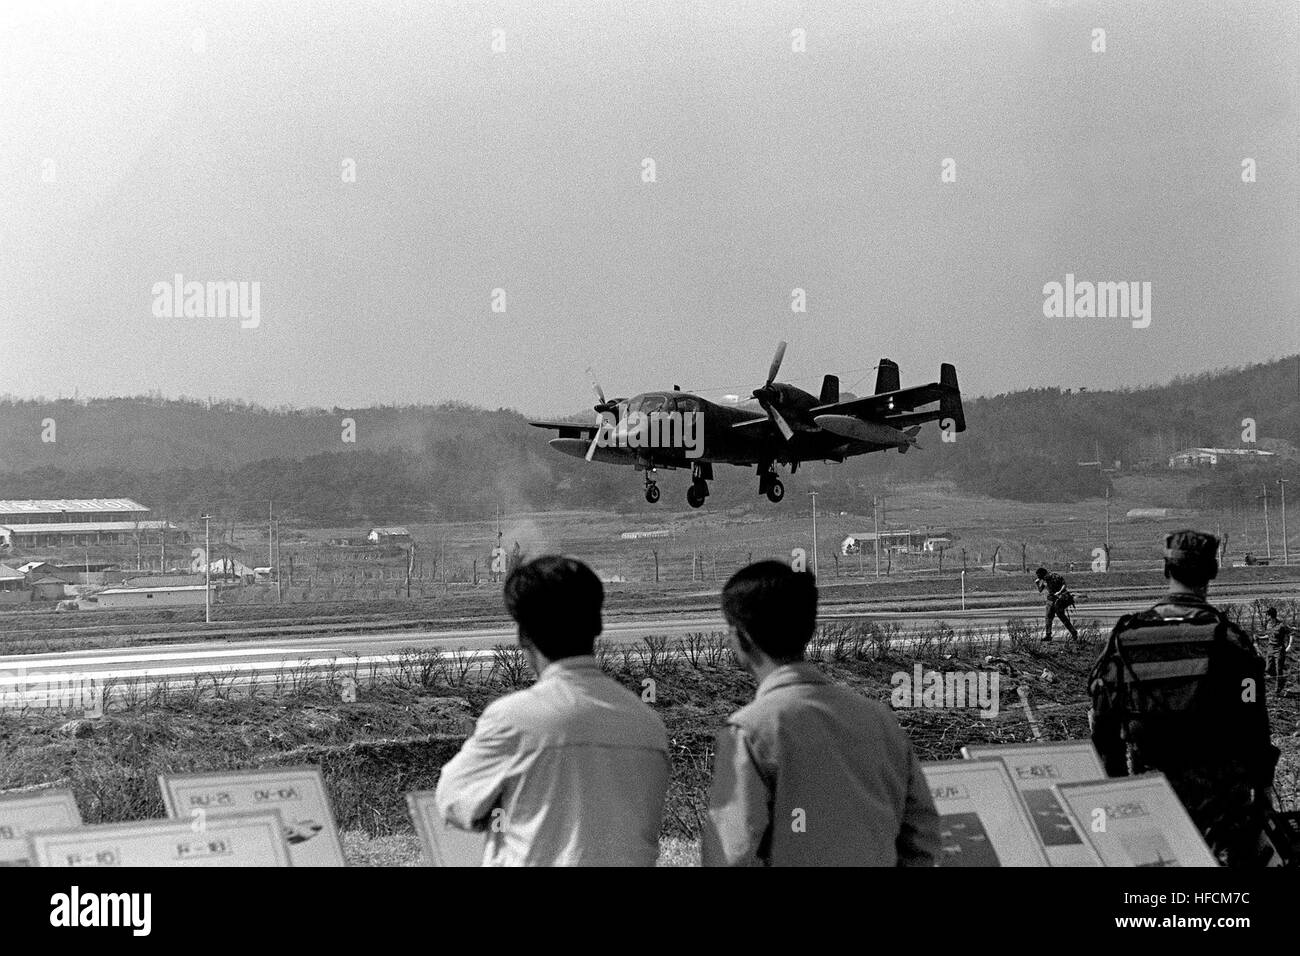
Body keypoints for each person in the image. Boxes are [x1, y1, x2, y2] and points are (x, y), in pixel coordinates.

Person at [435, 556, 669, 866]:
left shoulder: (512, 718)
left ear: (523, 637)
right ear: (597, 626)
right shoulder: (648, 724)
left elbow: (452, 802)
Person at [703, 561, 939, 867]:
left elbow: (732, 852)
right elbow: (921, 834)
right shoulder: (879, 719)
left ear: (740, 637)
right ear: (809, 628)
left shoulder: (749, 731)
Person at [1087, 531, 1279, 867]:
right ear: (1212, 573)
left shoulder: (1126, 638)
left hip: (1152, 802)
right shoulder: (1230, 642)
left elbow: (1103, 728)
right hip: (1222, 815)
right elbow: (1254, 728)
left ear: (1166, 570)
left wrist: (1118, 793)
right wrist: (1261, 801)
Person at [1034, 566, 1078, 642]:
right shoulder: (1043, 580)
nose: (1040, 578)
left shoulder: (1055, 576)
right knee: (1048, 617)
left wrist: (1059, 592)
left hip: (1059, 598)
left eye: (1040, 576)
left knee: (1061, 616)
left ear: (1044, 574)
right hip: (1051, 599)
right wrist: (1037, 583)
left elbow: (1064, 584)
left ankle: (1073, 632)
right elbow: (1040, 590)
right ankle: (1048, 635)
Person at [1262, 606, 1293, 696]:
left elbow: (1291, 633)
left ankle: (1278, 688)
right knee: (1268, 669)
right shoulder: (1268, 625)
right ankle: (1280, 682)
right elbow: (1269, 636)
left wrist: (1289, 645)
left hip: (1279, 649)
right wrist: (1260, 638)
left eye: (1267, 615)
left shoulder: (1281, 625)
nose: (1266, 616)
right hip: (1270, 648)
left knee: (1278, 669)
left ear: (1271, 615)